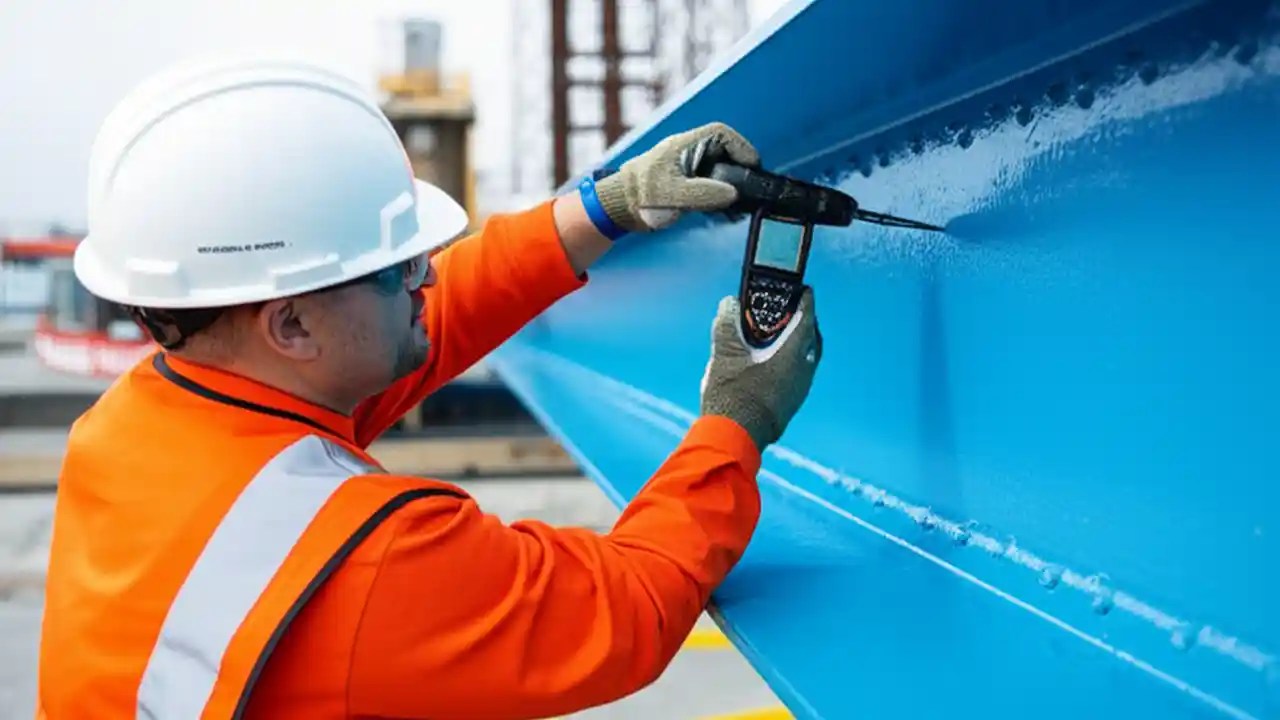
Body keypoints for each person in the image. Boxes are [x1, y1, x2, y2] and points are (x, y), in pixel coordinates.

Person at [35, 57, 822, 719]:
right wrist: (737, 422)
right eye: (398, 267)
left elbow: (424, 326)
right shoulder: (367, 561)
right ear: (291, 327)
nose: (426, 278)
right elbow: (623, 612)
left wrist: (607, 207)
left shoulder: (148, 417)